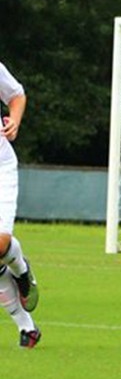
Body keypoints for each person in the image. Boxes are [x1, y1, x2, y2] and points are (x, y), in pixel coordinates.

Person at [0, 60, 40, 348]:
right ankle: (27, 327)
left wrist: (14, 120)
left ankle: (21, 269)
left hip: (0, 167)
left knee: (0, 243)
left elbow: (16, 94)